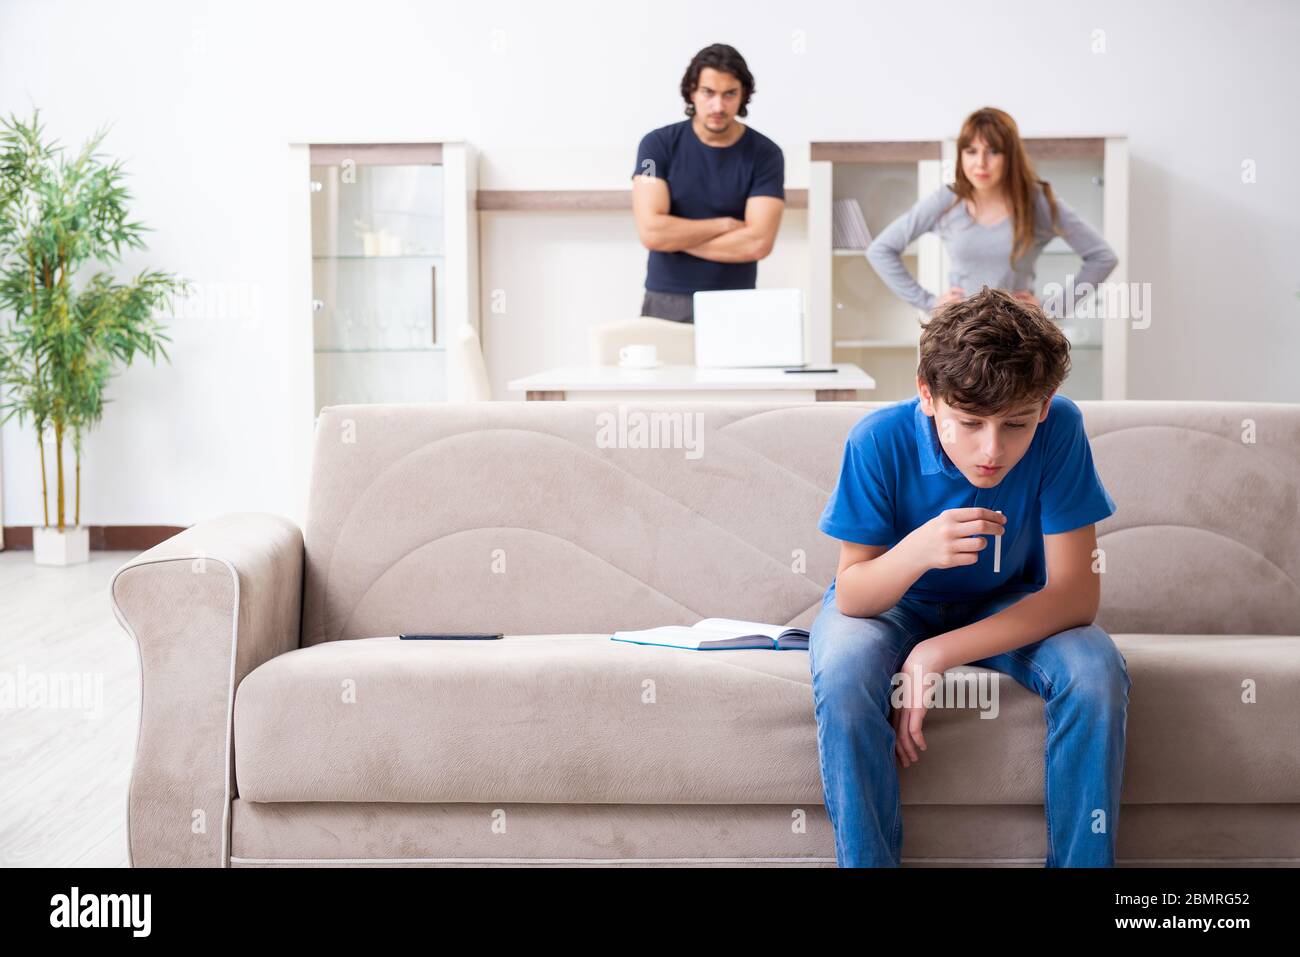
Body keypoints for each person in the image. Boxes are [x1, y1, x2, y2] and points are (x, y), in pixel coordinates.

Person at [808, 286, 1131, 867]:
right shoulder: (877, 440)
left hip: (1010, 603)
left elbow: (1076, 595)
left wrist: (936, 653)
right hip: (893, 605)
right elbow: (854, 594)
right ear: (927, 396)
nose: (991, 450)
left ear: (1047, 402)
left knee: (1094, 671)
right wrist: (918, 551)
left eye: (1017, 424)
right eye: (970, 422)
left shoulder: (1060, 429)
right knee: (843, 672)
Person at [867, 107, 1117, 318]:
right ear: (961, 155)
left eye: (993, 151)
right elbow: (880, 250)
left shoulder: (1036, 202)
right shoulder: (947, 200)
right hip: (960, 336)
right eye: (971, 151)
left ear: (1011, 157)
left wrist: (1050, 310)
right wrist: (930, 303)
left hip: (1017, 336)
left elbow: (1102, 257)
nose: (981, 163)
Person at [630, 43, 785, 323]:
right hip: (666, 300)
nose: (718, 106)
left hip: (734, 302)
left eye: (729, 95)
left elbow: (757, 244)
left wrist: (674, 239)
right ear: (692, 91)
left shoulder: (766, 155)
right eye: (708, 92)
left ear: (743, 96)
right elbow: (652, 232)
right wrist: (723, 225)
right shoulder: (654, 148)